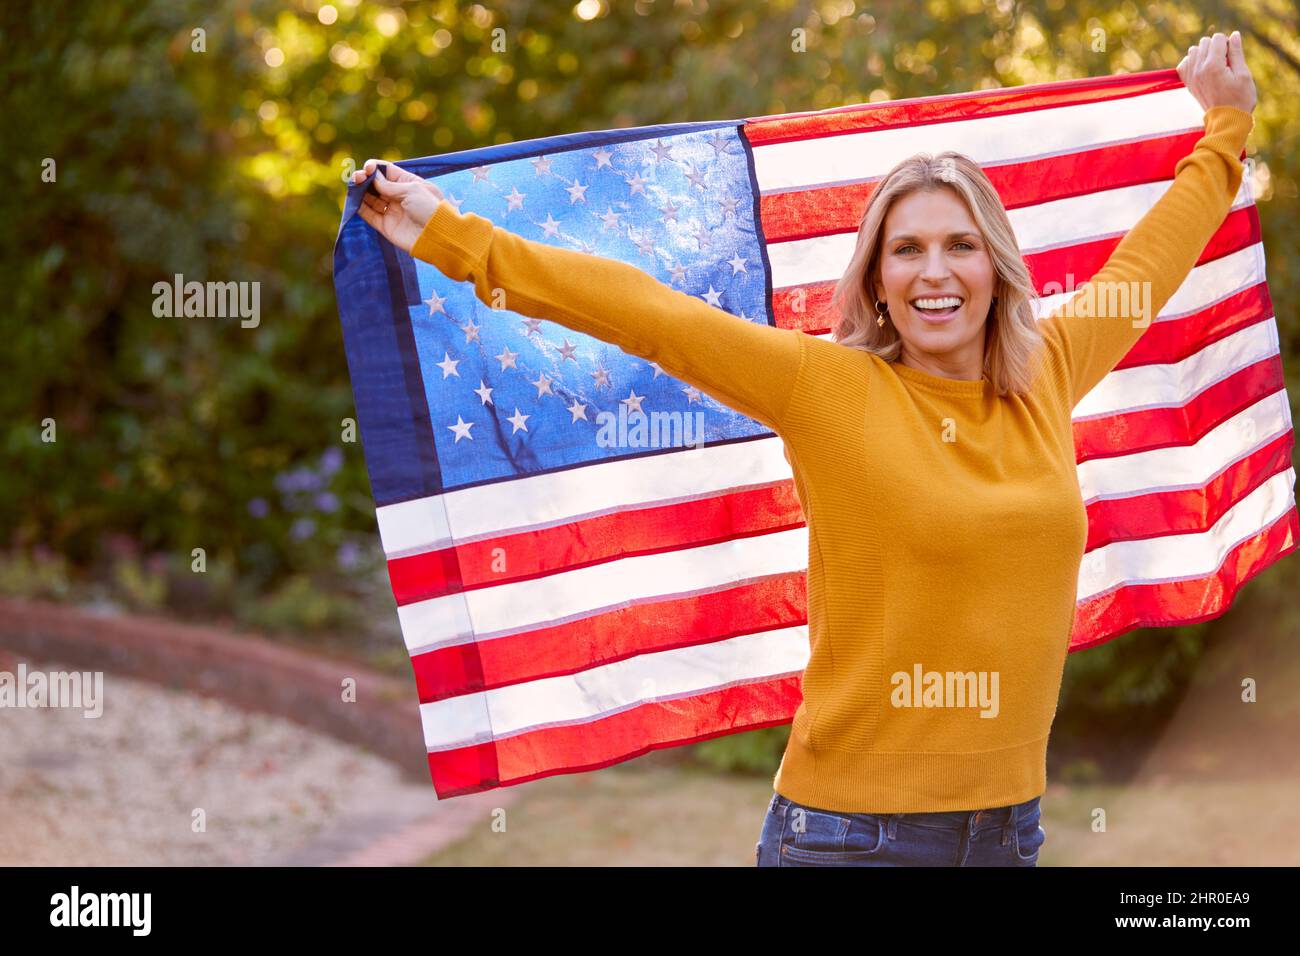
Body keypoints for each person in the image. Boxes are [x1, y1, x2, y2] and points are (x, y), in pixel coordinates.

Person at [352, 31, 1257, 866]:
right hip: (849, 840)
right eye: (906, 250)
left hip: (1008, 834)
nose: (934, 272)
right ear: (875, 277)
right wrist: (447, 233)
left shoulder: (1046, 376)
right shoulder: (828, 389)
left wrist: (1226, 126)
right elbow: (644, 312)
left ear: (997, 267)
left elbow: (1148, 266)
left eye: (960, 246)